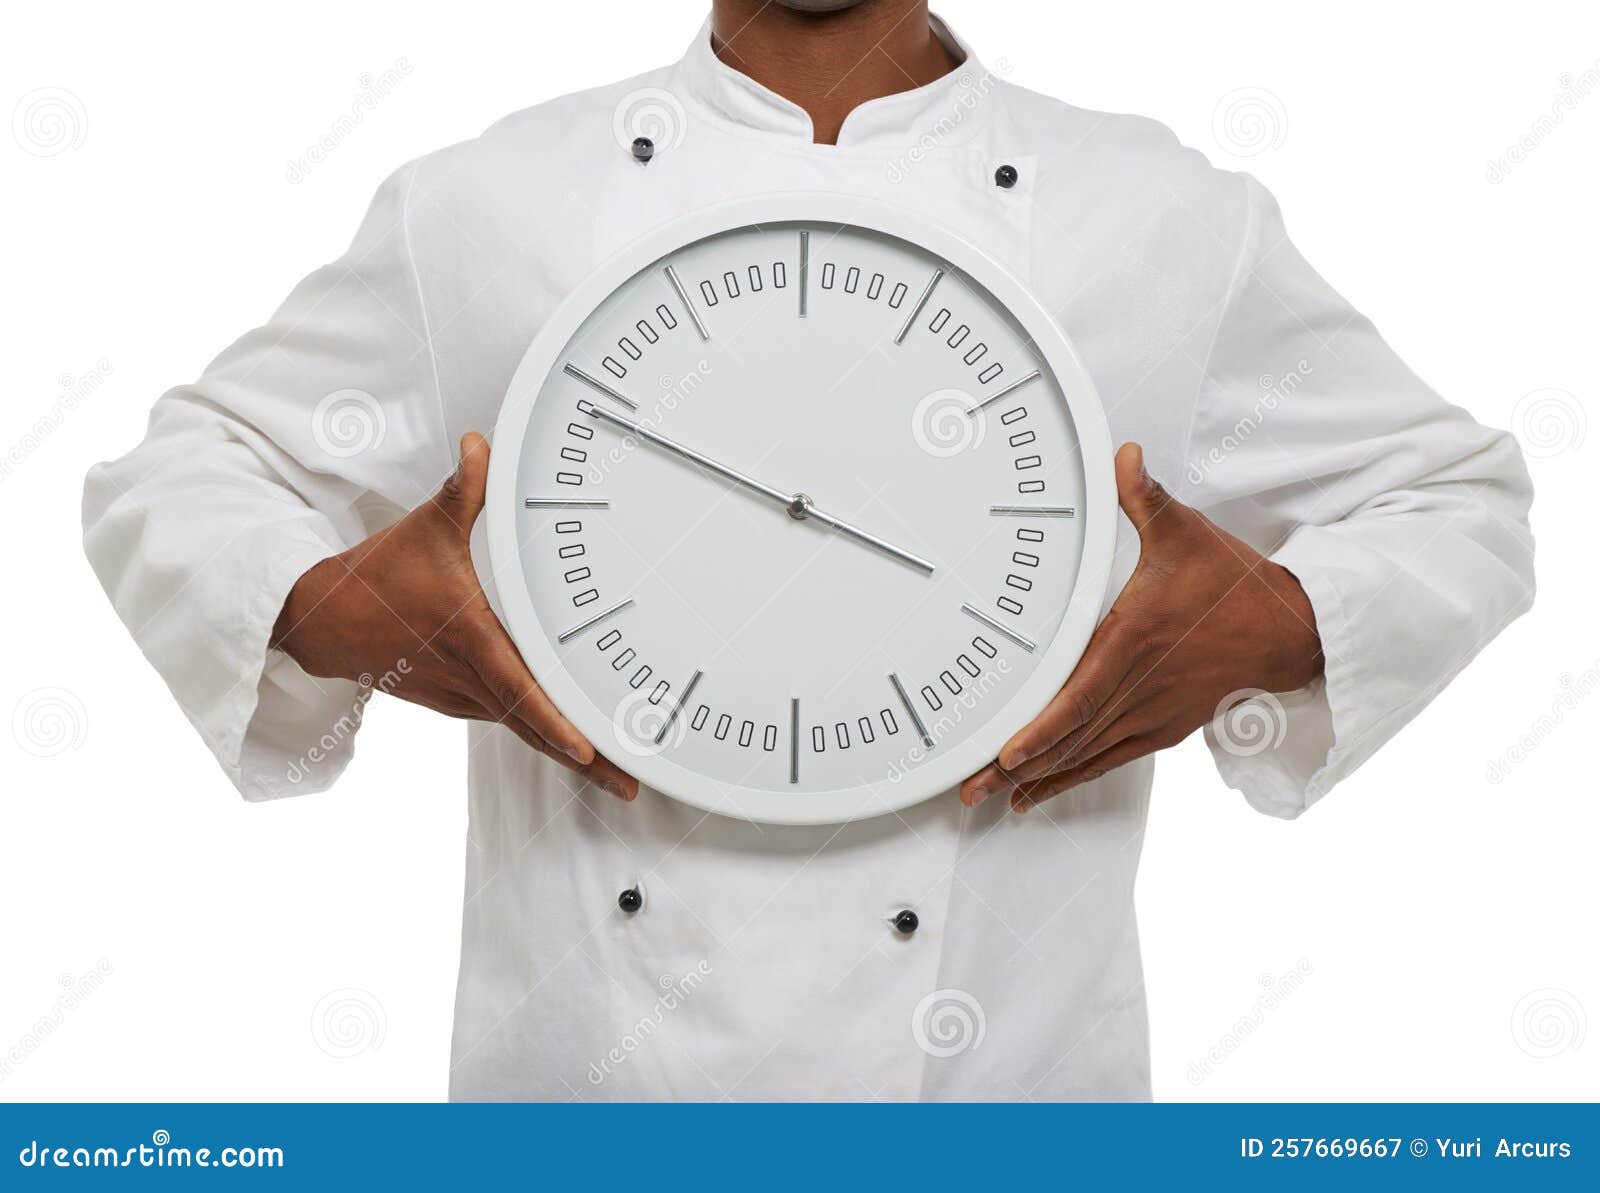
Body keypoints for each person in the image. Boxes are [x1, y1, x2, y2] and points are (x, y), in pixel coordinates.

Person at [82, 0, 1535, 1099]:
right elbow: (183, 471)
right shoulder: (486, 205)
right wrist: (339, 610)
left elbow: (1458, 496)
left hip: (1009, 1103)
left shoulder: (1161, 218)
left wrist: (1277, 628)